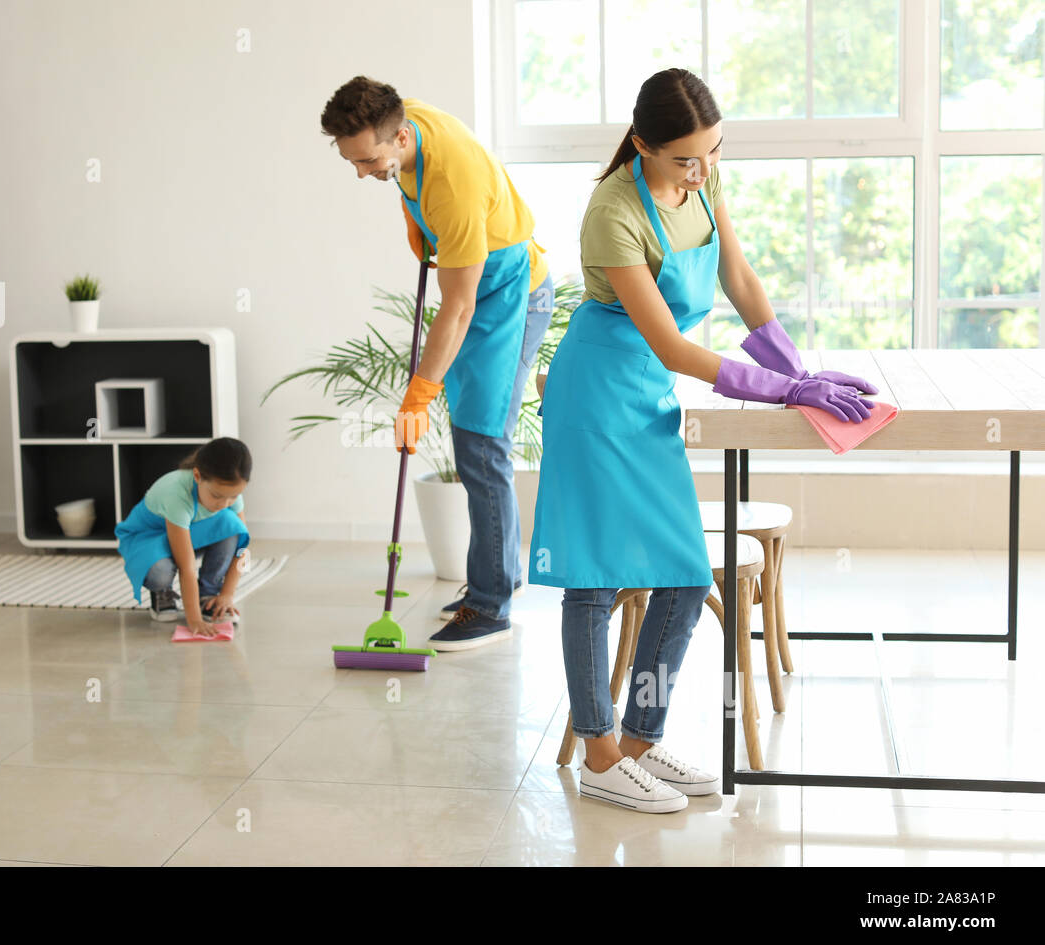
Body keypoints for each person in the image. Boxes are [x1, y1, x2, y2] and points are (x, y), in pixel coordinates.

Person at [529, 68, 877, 813]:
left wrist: (796, 366)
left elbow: (740, 278)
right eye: (687, 158)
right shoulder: (612, 210)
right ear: (643, 144)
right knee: (592, 581)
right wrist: (781, 390)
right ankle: (597, 755)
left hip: (644, 402)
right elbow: (671, 346)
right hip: (594, 398)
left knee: (687, 576)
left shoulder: (702, 184)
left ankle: (637, 744)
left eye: (714, 151)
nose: (704, 168)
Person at [321, 75, 555, 651]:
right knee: (472, 438)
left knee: (481, 442)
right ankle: (497, 578)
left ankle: (490, 603)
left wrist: (417, 394)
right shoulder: (407, 121)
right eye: (349, 161)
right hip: (478, 286)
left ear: (400, 136)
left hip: (511, 296)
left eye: (368, 160)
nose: (360, 172)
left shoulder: (454, 182)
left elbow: (457, 307)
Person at [115, 437, 251, 636]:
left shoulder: (230, 493)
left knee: (234, 528)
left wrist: (227, 595)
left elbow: (242, 547)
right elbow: (186, 566)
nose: (224, 503)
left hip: (191, 531)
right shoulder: (178, 495)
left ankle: (209, 594)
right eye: (216, 496)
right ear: (197, 476)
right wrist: (194, 620)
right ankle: (162, 593)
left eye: (233, 496)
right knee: (159, 573)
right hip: (149, 537)